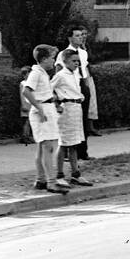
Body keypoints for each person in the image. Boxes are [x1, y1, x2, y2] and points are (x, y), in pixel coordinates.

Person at [21, 45, 65, 194]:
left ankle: (41, 179)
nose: (54, 61)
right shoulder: (36, 73)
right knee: (48, 147)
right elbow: (26, 91)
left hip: (47, 108)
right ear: (44, 59)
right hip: (42, 111)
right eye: (52, 58)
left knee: (42, 147)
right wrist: (39, 108)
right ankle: (51, 182)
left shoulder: (42, 73)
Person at [50, 49, 92, 187]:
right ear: (65, 61)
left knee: (74, 144)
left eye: (78, 61)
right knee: (64, 143)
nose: (76, 64)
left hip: (76, 108)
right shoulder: (60, 75)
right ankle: (59, 175)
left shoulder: (75, 74)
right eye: (73, 61)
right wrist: (56, 104)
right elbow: (48, 89)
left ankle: (75, 174)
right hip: (66, 108)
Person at [61, 26, 100, 145]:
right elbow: (60, 72)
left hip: (83, 84)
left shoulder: (83, 53)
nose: (81, 38)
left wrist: (86, 86)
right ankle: (70, 149)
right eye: (77, 36)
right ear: (70, 38)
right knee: (73, 120)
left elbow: (85, 69)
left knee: (84, 118)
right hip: (72, 86)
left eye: (81, 35)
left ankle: (83, 151)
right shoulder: (64, 54)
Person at [17, 67, 33, 144]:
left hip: (31, 103)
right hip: (26, 104)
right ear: (24, 75)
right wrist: (23, 104)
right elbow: (22, 95)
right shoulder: (23, 83)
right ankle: (24, 137)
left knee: (30, 121)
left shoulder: (31, 84)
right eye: (28, 74)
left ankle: (28, 136)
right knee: (26, 121)